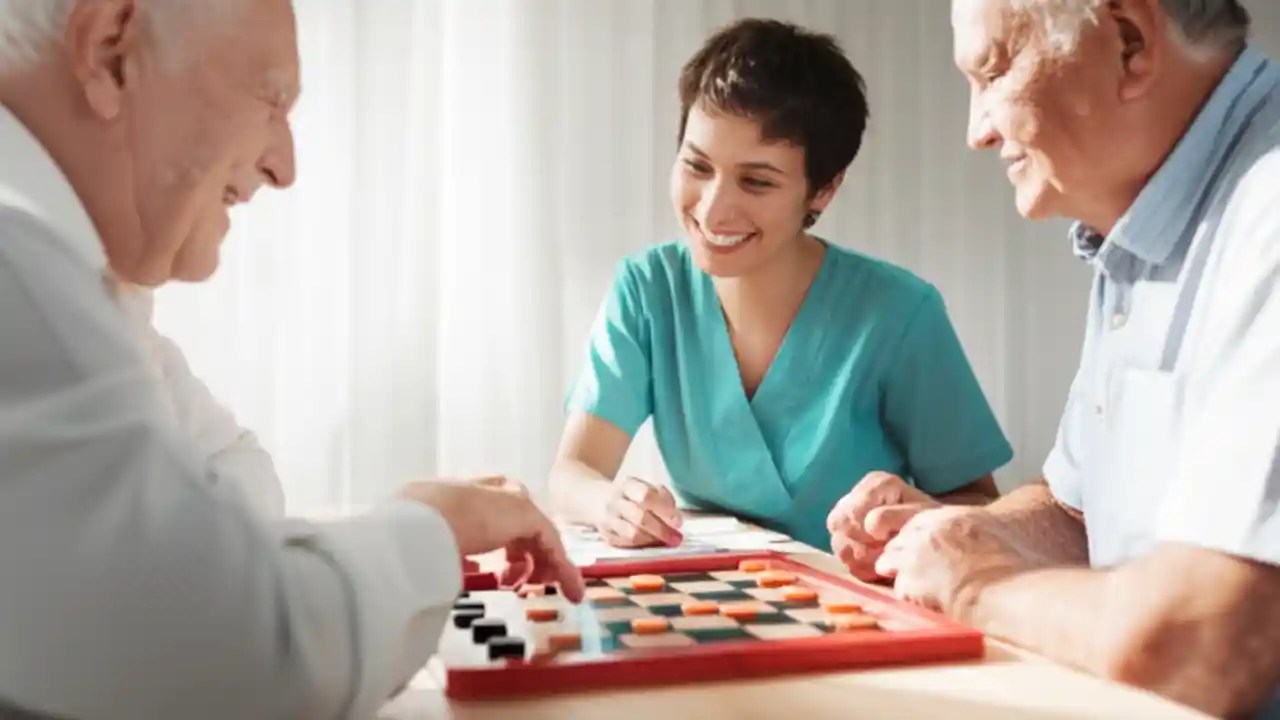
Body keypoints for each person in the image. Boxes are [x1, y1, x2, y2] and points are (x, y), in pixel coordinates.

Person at [0, 1, 584, 718]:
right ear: (112, 51)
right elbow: (242, 658)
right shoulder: (18, 275)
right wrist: (432, 527)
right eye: (271, 99)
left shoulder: (88, 292)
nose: (285, 167)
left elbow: (231, 492)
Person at [831, 0, 1280, 716]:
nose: (975, 131)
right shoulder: (1138, 226)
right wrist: (969, 533)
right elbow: (1078, 513)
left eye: (993, 71)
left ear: (1130, 42)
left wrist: (978, 586)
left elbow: (1204, 647)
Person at [550, 18, 1013, 552]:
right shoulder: (648, 291)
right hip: (705, 607)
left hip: (860, 612)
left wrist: (917, 515)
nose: (713, 208)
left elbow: (981, 507)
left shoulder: (898, 314)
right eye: (696, 166)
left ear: (823, 190)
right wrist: (610, 504)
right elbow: (573, 473)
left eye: (756, 181)